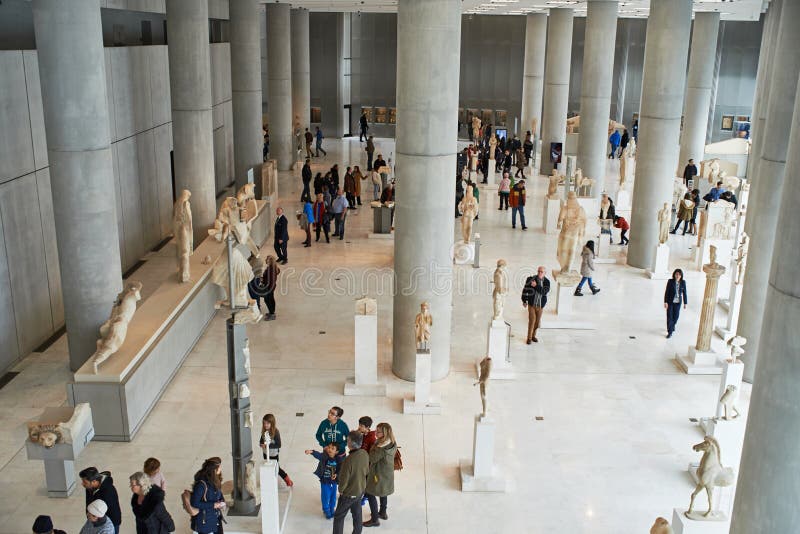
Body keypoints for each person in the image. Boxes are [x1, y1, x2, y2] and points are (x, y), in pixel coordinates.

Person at [332, 431, 370, 534]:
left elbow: (343, 480)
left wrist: (341, 490)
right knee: (357, 514)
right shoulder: (365, 453)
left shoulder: (348, 460)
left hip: (348, 494)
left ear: (350, 442)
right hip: (360, 490)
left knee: (339, 516)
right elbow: (366, 471)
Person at [362, 423, 397, 528]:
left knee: (369, 493)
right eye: (376, 430)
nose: (376, 433)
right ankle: (382, 512)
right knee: (383, 492)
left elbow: (372, 458)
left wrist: (374, 447)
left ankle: (375, 520)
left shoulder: (381, 447)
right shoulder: (392, 442)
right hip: (387, 474)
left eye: (378, 432)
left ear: (385, 433)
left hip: (378, 474)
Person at [305, 443, 345, 519]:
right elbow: (318, 455)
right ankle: (326, 509)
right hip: (325, 481)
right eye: (329, 447)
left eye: (332, 448)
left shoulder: (338, 459)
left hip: (333, 482)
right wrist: (312, 452)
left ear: (336, 452)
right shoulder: (324, 456)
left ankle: (332, 508)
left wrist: (336, 474)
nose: (330, 449)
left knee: (333, 496)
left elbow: (340, 468)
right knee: (325, 496)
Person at [79, 467, 122, 534]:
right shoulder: (89, 487)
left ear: (94, 481)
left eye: (85, 482)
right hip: (94, 518)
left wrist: (93, 516)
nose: (82, 484)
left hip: (112, 522)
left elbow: (109, 511)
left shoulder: (108, 491)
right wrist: (90, 515)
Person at [189, 457, 226, 534]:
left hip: (216, 517)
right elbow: (195, 503)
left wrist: (222, 501)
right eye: (219, 468)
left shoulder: (216, 479)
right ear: (214, 470)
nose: (220, 469)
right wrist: (213, 505)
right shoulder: (201, 485)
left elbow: (219, 493)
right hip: (204, 520)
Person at [260, 414, 294, 487]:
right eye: (264, 423)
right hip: (266, 453)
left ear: (272, 423)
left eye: (268, 423)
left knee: (276, 468)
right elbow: (261, 440)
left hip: (274, 454)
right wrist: (261, 444)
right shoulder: (264, 431)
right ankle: (269, 481)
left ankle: (287, 479)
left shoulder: (276, 432)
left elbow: (279, 445)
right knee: (268, 468)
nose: (265, 425)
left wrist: (267, 446)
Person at [522, 266, 550, 344]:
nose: (539, 273)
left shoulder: (547, 282)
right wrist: (524, 300)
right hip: (532, 305)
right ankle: (529, 338)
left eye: (541, 272)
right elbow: (525, 290)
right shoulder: (530, 279)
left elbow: (544, 292)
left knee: (537, 323)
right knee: (532, 321)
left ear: (545, 273)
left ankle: (533, 336)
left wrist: (536, 286)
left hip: (540, 306)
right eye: (538, 271)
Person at [664, 269, 688, 339]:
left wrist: (685, 303)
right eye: (676, 274)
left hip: (678, 303)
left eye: (679, 275)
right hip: (670, 302)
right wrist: (665, 302)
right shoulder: (670, 281)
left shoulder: (683, 282)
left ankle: (672, 325)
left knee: (676, 317)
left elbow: (685, 293)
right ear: (674, 275)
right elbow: (667, 292)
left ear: (681, 276)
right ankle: (670, 332)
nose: (677, 276)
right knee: (669, 317)